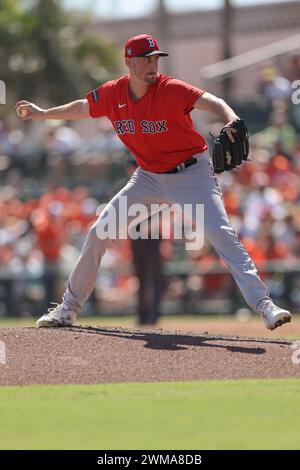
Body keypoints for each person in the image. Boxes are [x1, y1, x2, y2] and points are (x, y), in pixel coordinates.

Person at [15, 33, 292, 331]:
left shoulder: (170, 88)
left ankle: (265, 305)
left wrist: (231, 119)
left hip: (191, 174)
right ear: (129, 62)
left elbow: (213, 101)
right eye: (146, 59)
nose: (153, 64)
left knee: (222, 233)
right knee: (99, 231)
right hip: (147, 177)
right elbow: (83, 106)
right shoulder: (113, 94)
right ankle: (67, 310)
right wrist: (44, 114)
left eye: (156, 58)